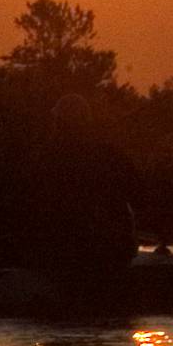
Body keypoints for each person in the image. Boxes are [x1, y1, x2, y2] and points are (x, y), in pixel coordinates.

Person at [27, 94, 140, 286]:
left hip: (65, 251)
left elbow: (31, 204)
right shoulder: (109, 155)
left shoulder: (46, 158)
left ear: (60, 123)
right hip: (113, 249)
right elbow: (139, 194)